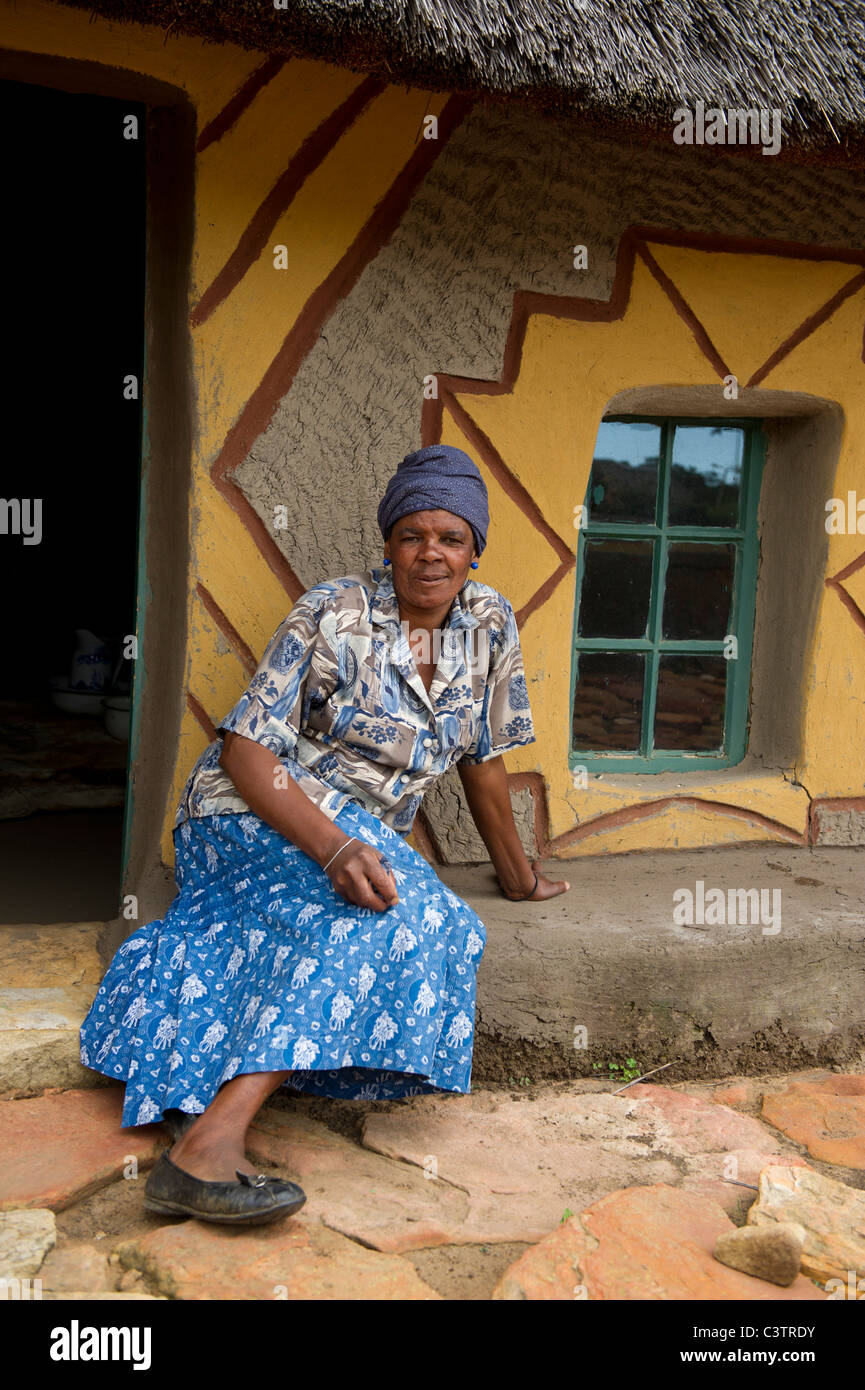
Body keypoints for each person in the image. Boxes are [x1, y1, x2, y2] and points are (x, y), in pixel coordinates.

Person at [79, 444, 571, 1225]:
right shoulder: (333, 611)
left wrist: (516, 873)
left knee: (414, 922)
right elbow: (244, 750)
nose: (431, 553)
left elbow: (484, 757)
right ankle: (209, 1146)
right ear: (387, 544)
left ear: (476, 548)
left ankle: (202, 1103)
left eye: (450, 537)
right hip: (247, 811)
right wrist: (335, 847)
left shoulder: (489, 623)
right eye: (412, 535)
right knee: (404, 918)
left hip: (357, 834)